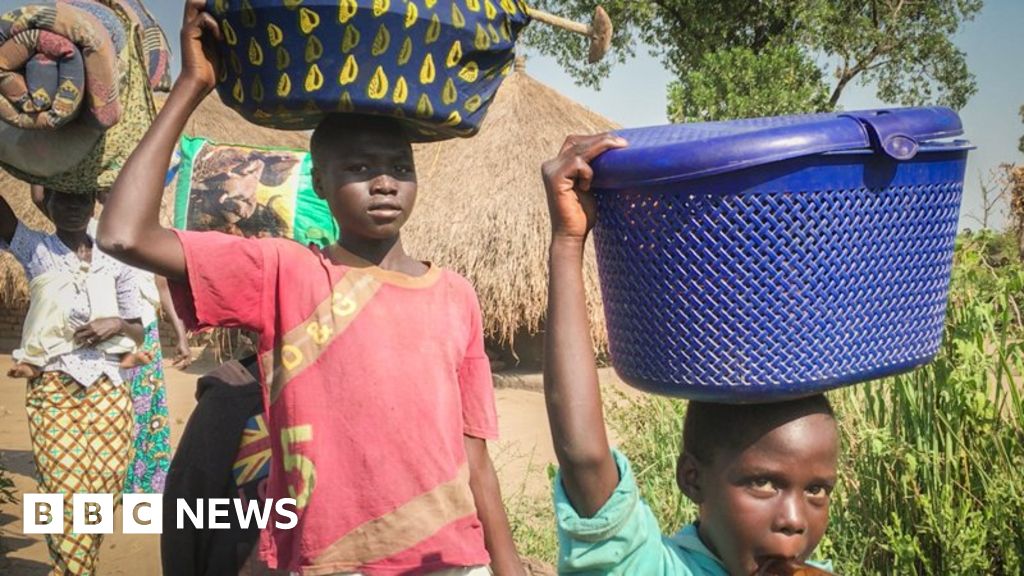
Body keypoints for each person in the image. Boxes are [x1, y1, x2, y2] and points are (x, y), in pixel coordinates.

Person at [98, 2, 523, 574]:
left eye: (399, 166)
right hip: (331, 560)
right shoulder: (284, 273)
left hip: (448, 558)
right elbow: (125, 235)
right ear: (319, 182)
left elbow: (476, 458)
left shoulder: (456, 296)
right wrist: (191, 86)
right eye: (358, 169)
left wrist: (509, 564)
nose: (383, 184)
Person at [540, 133, 840, 575]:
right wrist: (568, 242)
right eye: (762, 483)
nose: (794, 521)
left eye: (817, 491)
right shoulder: (652, 568)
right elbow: (584, 458)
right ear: (692, 479)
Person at [0, 188, 144, 576]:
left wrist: (117, 323)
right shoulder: (37, 250)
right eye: (62, 199)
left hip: (109, 386)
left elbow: (139, 331)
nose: (72, 207)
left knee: (106, 486)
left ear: (93, 204)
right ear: (46, 204)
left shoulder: (117, 258)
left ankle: (76, 567)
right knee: (64, 488)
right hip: (53, 386)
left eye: (80, 199)